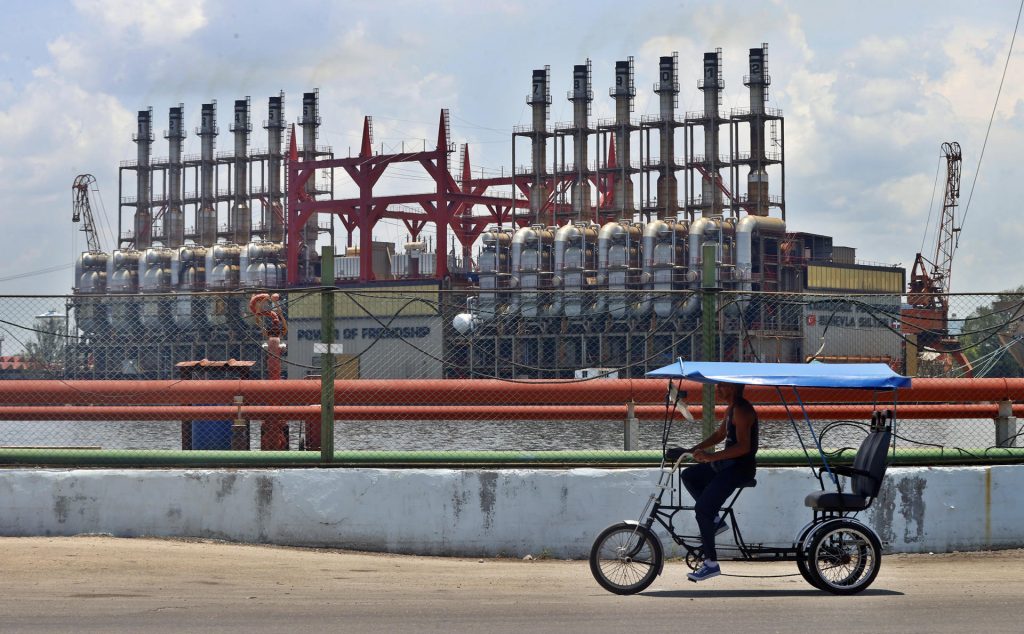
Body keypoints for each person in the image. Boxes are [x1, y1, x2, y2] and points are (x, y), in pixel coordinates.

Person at [677, 381, 759, 582]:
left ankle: (711, 564)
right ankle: (715, 520)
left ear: (733, 388)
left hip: (739, 469)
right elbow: (720, 435)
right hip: (727, 465)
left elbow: (744, 447)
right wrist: (692, 450)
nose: (717, 389)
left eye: (721, 386)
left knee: (702, 510)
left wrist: (711, 457)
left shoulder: (742, 410)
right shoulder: (732, 408)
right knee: (689, 476)